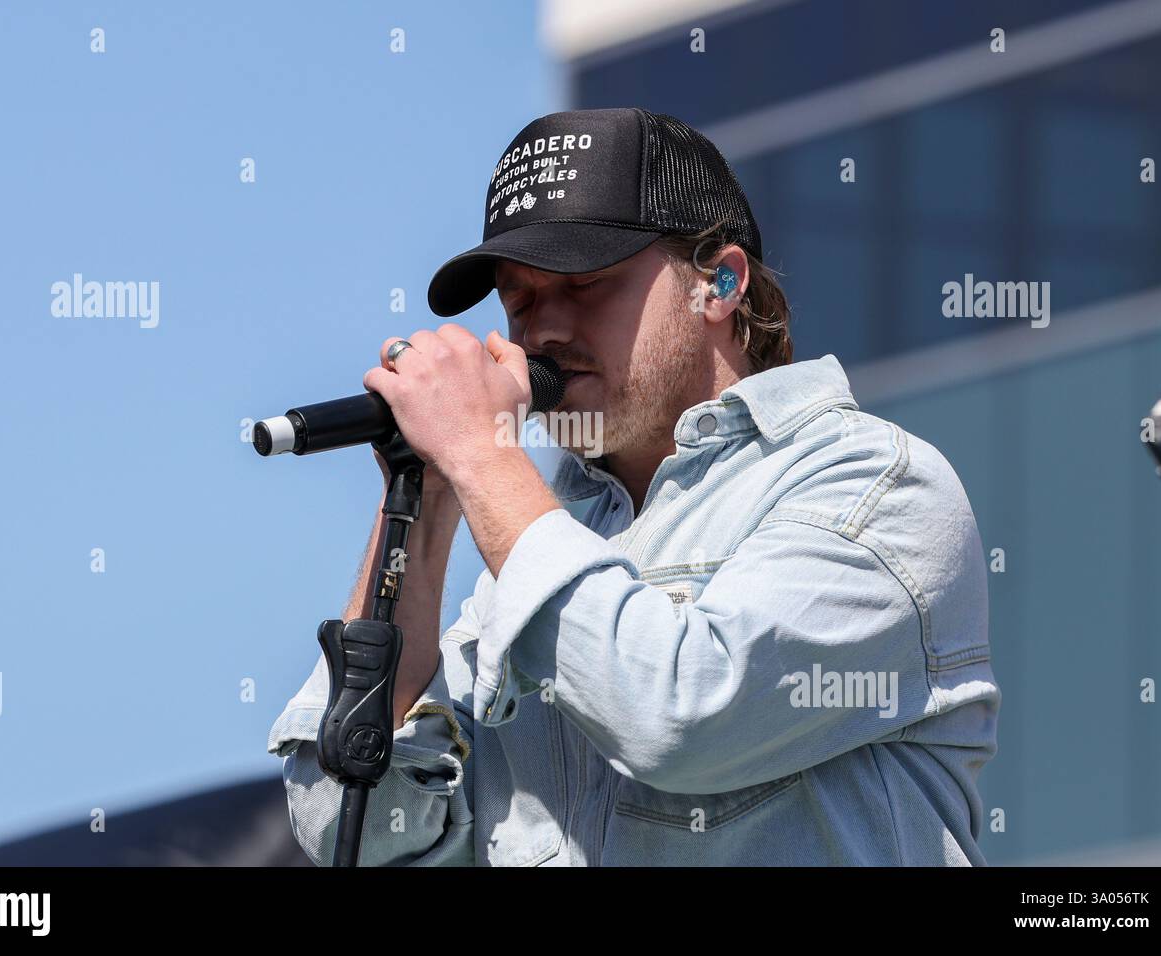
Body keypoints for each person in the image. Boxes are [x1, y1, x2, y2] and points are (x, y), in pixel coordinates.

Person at [268, 108, 1000, 866]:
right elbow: (345, 830)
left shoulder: (873, 483)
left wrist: (483, 460)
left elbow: (679, 714)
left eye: (585, 285)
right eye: (519, 300)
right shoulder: (531, 558)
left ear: (719, 282)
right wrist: (430, 506)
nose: (543, 331)